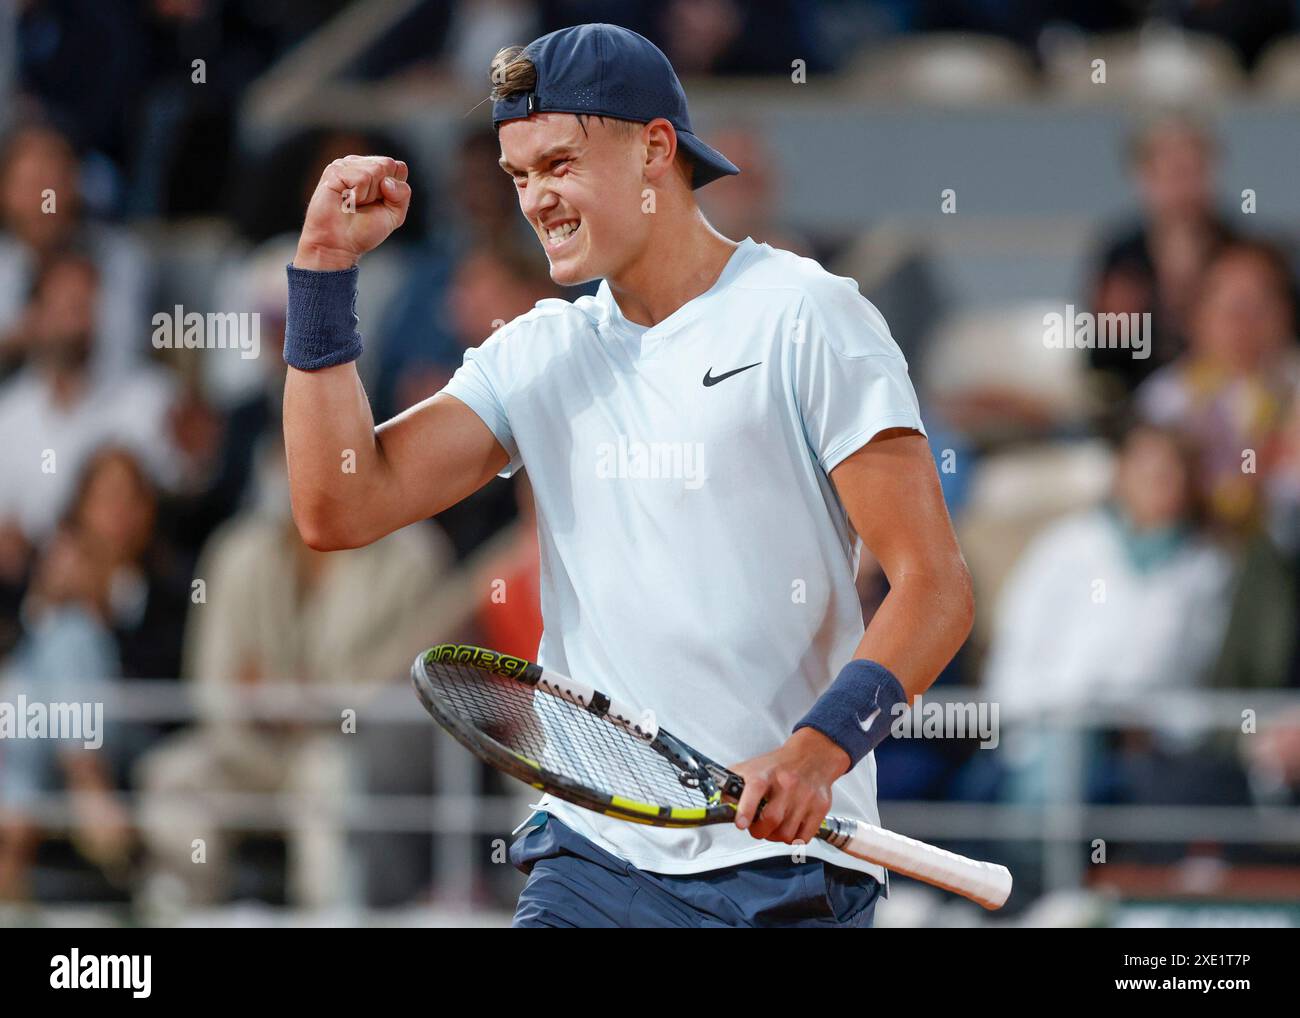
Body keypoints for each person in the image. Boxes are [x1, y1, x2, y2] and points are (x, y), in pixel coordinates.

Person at [282, 24, 973, 928]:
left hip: (789, 867)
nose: (536, 201)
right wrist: (324, 275)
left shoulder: (807, 315)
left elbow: (935, 587)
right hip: (592, 856)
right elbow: (340, 502)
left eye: (559, 164)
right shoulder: (537, 350)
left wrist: (817, 751)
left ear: (654, 148)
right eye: (519, 175)